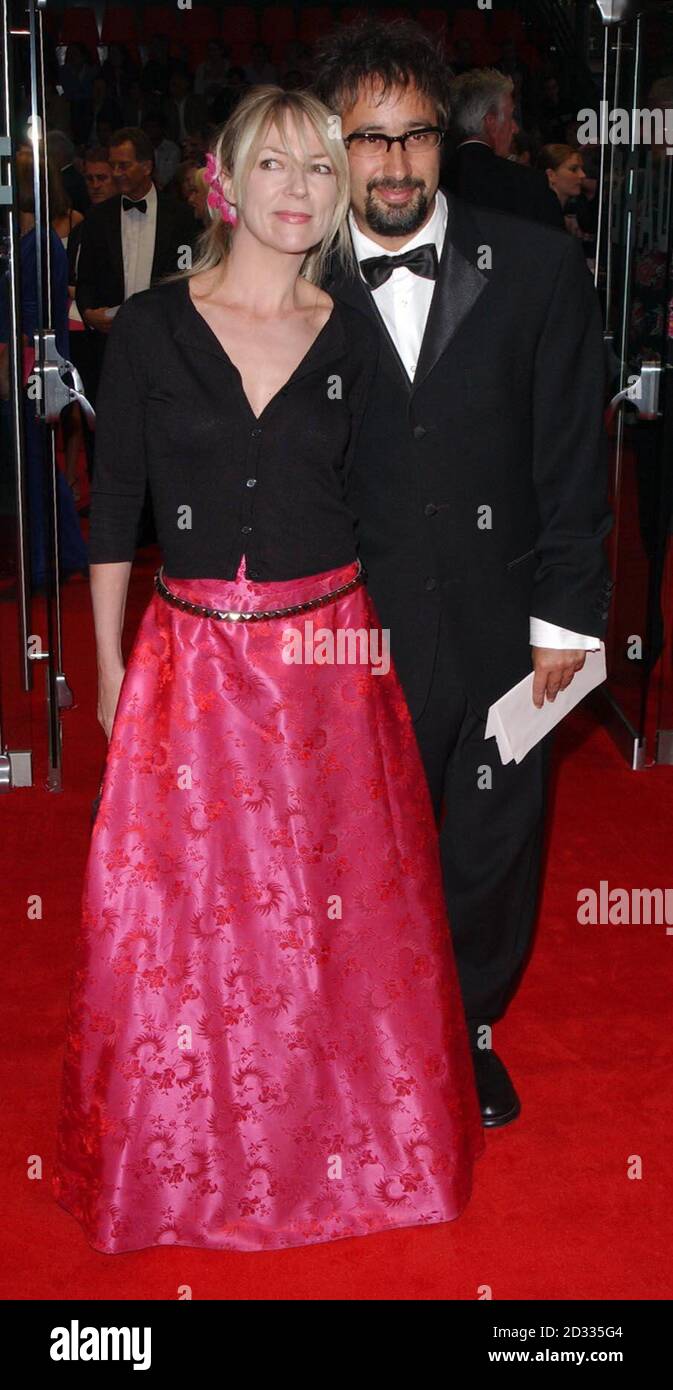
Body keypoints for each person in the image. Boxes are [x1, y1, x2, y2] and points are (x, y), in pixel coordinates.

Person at [51, 85, 484, 1255]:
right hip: (188, 657)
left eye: (318, 170)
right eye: (274, 166)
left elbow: (395, 511)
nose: (298, 190)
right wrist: (102, 669)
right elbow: (114, 513)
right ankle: (190, 1164)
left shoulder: (350, 332)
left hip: (330, 664)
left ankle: (333, 1154)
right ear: (224, 184)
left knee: (329, 928)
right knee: (187, 926)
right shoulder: (146, 327)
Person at [314, 16, 613, 1127]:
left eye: (416, 136)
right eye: (368, 139)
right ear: (333, 147)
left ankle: (464, 1027)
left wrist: (569, 633)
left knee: (493, 841)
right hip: (352, 627)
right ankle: (363, 1029)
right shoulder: (295, 279)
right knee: (357, 839)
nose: (393, 164)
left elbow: (571, 463)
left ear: (447, 141)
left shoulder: (533, 266)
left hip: (508, 619)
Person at [444, 67, 565, 229]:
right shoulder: (529, 184)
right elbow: (557, 247)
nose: (515, 128)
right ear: (491, 122)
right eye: (510, 117)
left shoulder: (438, 181)